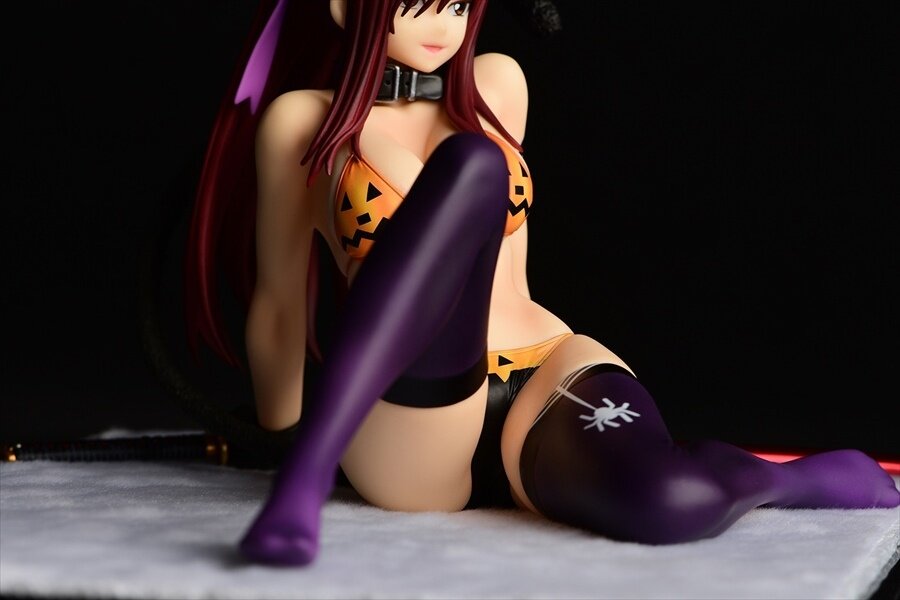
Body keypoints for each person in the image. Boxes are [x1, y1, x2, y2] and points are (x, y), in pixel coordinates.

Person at [184, 0, 900, 566]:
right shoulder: (301, 122)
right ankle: (303, 481)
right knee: (473, 168)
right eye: (417, 3)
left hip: (542, 366)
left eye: (459, 5)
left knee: (671, 499)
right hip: (413, 410)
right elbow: (281, 303)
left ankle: (785, 479)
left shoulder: (498, 83)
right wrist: (276, 434)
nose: (443, 26)